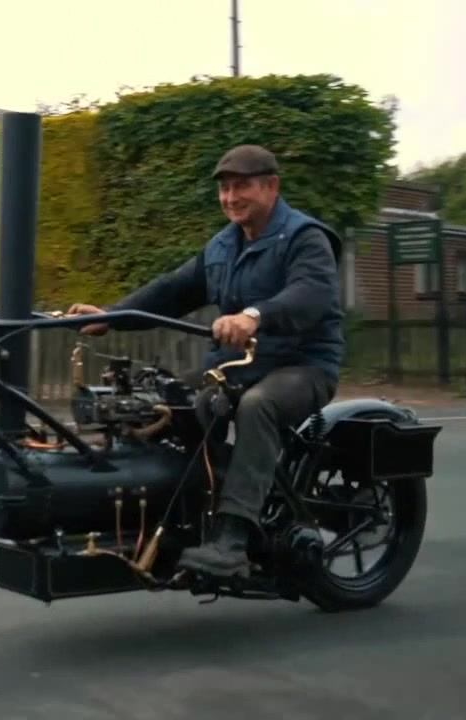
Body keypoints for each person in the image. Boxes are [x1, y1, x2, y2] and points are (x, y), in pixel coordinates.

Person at [65, 144, 345, 579]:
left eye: (242, 187)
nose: (231, 198)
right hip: (237, 365)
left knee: (258, 406)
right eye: (225, 189)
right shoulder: (222, 245)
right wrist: (111, 316)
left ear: (271, 187)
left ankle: (232, 542)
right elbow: (173, 290)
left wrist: (256, 316)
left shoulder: (305, 237)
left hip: (301, 365)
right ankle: (197, 512)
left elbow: (310, 294)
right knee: (168, 402)